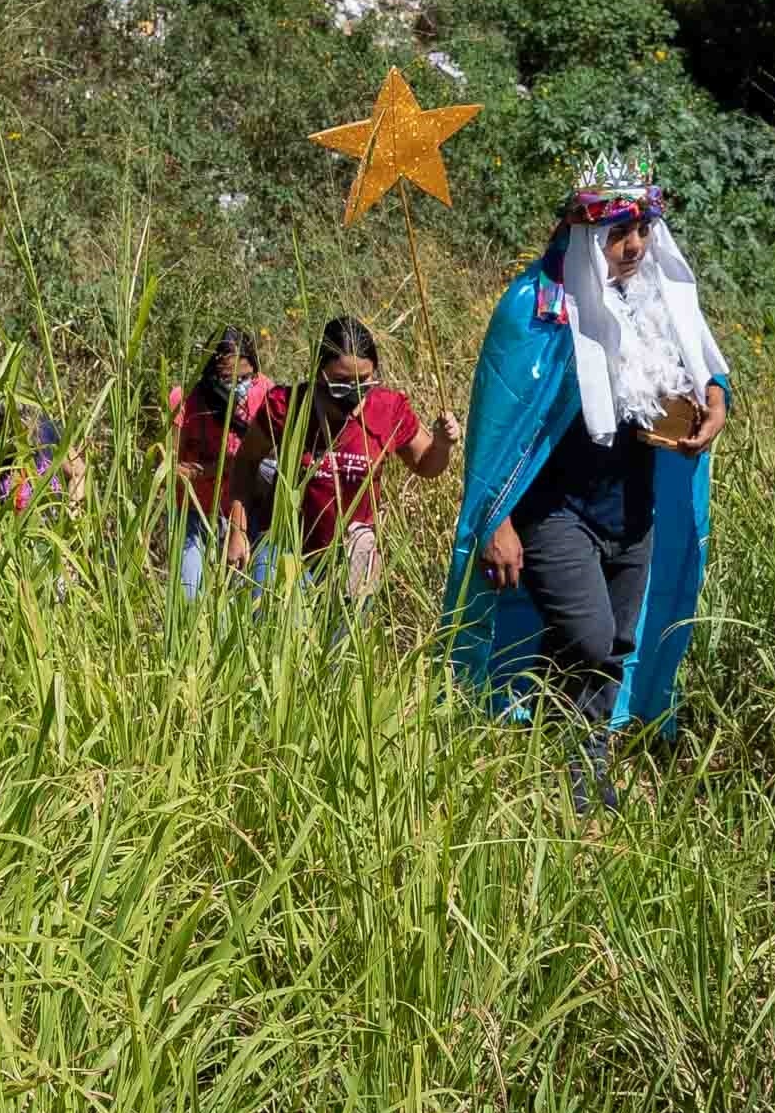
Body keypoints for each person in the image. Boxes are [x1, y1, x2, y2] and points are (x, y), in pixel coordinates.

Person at [446, 158, 729, 740]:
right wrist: (494, 520)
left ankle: (577, 760)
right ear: (584, 234)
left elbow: (704, 366)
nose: (634, 247)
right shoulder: (536, 307)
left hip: (631, 509)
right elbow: (497, 427)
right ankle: (553, 737)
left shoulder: (653, 303)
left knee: (616, 644)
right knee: (589, 638)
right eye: (618, 234)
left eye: (644, 231)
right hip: (554, 511)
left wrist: (715, 399)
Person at [260, 313, 457, 595]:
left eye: (364, 381)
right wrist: (239, 529)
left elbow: (426, 466)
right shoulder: (287, 405)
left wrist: (441, 445)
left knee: (343, 636)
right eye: (340, 382)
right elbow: (245, 462)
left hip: (353, 553)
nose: (353, 392)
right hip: (288, 550)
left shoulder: (387, 409)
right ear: (319, 372)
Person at [160, 328, 274, 594]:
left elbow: (258, 466)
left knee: (252, 591)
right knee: (189, 592)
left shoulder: (265, 394)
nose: (239, 386)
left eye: (245, 377)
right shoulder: (185, 400)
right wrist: (220, 468)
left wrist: (208, 469)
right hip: (194, 509)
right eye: (227, 378)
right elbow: (169, 468)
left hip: (246, 509)